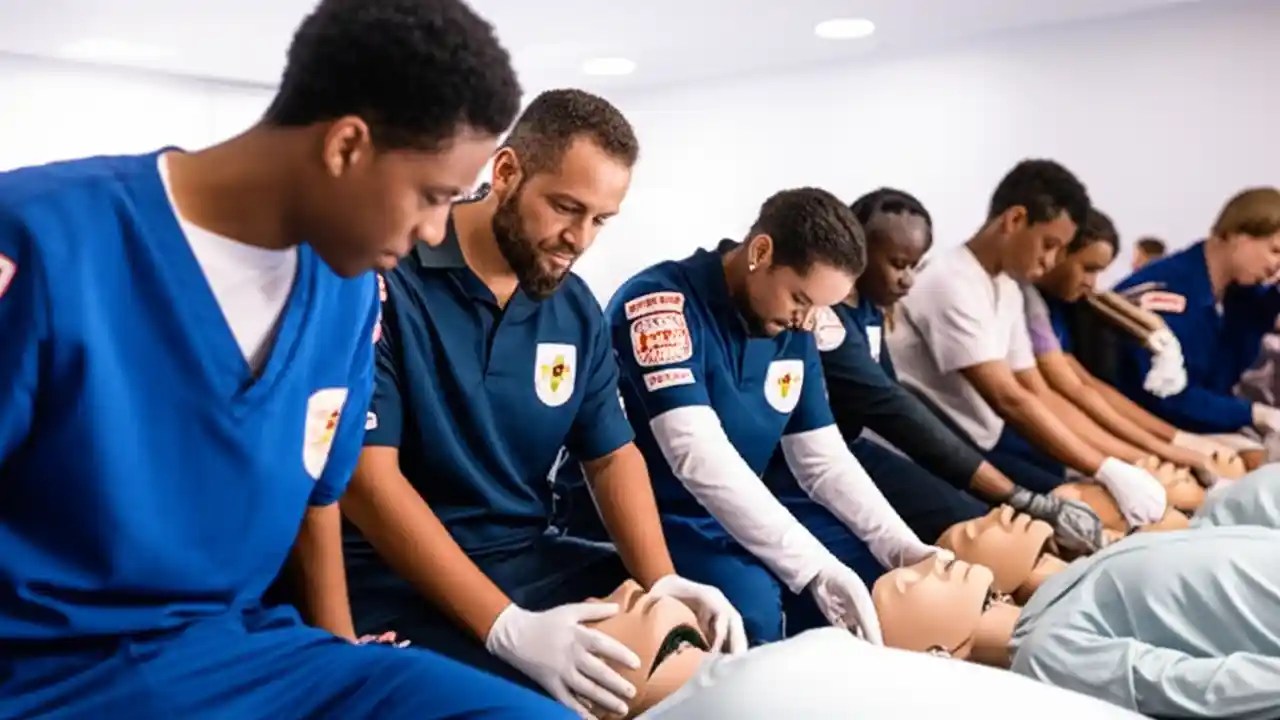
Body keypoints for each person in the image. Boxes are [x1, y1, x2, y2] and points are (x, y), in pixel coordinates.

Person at [0, 2, 579, 719]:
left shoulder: (348, 292)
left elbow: (319, 499)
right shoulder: (38, 240)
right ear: (346, 147)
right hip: (46, 675)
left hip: (239, 657)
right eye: (432, 197)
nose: (436, 229)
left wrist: (343, 655)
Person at [339, 89, 745, 720]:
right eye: (565, 208)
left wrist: (661, 579)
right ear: (506, 172)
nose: (578, 239)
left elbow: (611, 456)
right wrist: (504, 626)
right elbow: (367, 481)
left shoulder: (574, 307)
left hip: (527, 557)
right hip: (392, 575)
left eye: (601, 220)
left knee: (691, 645)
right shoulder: (389, 276)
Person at [607, 187, 947, 647]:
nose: (807, 321)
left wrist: (900, 545)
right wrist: (813, 568)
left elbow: (822, 459)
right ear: (761, 253)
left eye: (821, 307)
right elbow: (696, 455)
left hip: (734, 512)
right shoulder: (661, 304)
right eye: (800, 299)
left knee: (871, 577)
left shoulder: (795, 324)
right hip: (656, 516)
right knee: (754, 611)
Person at [771, 187, 1105, 553]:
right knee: (977, 529)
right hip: (820, 458)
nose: (908, 280)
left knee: (979, 514)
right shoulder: (827, 319)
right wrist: (1018, 496)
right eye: (898, 264)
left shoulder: (869, 309)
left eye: (914, 266)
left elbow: (896, 396)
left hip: (867, 445)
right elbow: (891, 407)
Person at [885, 160, 1168, 530]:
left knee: (1098, 506)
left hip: (980, 441)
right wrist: (1108, 467)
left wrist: (1123, 461)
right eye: (1049, 244)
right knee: (1088, 516)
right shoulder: (949, 281)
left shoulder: (1007, 288)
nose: (1050, 261)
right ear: (1015, 219)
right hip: (928, 449)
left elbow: (1037, 391)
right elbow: (1008, 398)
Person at [1027, 208, 1240, 474]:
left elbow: (1088, 387)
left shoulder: (1063, 307)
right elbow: (1070, 391)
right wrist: (1158, 452)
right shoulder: (1032, 306)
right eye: (1088, 269)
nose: (1091, 283)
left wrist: (1173, 442)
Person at [1011, 525, 1280, 718]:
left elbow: (1186, 687)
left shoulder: (1051, 646)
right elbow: (1184, 686)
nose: (1002, 513)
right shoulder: (1050, 648)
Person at [1114, 187, 1280, 440]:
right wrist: (1252, 413)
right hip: (1144, 430)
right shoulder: (1167, 290)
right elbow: (1167, 395)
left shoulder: (1238, 297)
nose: (1276, 266)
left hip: (1194, 429)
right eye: (1275, 251)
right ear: (1237, 235)